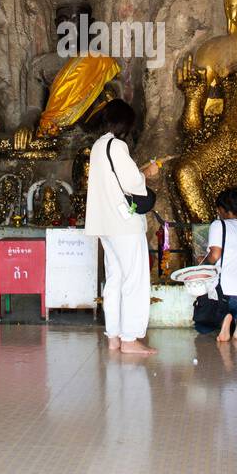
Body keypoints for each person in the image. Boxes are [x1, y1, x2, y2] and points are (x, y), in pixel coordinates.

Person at [83, 99, 160, 355]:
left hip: (105, 224)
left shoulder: (98, 146)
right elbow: (133, 183)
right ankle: (130, 339)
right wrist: (148, 173)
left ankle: (114, 337)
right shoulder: (117, 145)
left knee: (114, 280)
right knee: (134, 280)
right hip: (123, 224)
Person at [199, 187, 237, 343]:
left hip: (227, 295)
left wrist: (201, 267)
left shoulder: (218, 225)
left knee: (206, 316)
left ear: (221, 209)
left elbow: (215, 255)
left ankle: (224, 320)